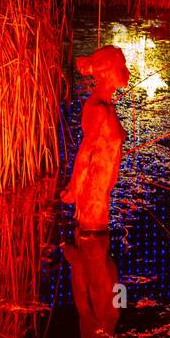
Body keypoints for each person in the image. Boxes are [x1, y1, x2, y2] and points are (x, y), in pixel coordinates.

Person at [60, 44, 128, 231]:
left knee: (98, 252)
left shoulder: (107, 108)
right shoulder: (98, 110)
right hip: (93, 197)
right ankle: (69, 251)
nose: (126, 72)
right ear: (106, 73)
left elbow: (111, 139)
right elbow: (84, 153)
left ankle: (72, 251)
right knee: (95, 248)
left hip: (101, 193)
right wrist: (74, 189)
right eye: (121, 67)